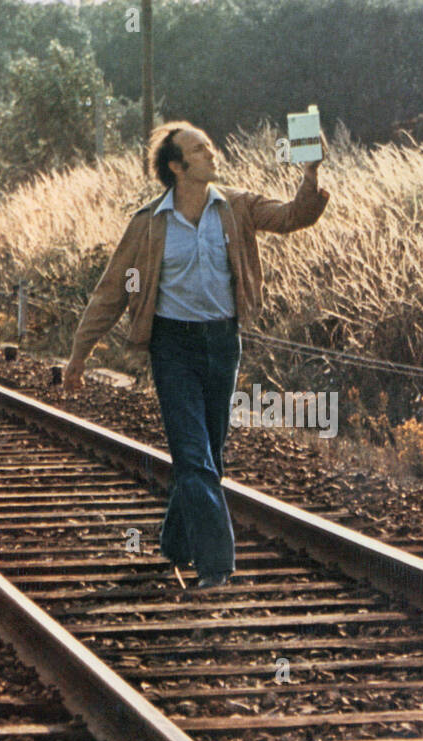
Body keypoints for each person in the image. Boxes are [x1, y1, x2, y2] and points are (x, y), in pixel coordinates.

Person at [65, 121, 330, 588]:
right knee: (193, 453)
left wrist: (310, 174)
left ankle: (175, 543)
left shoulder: (237, 207)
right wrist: (79, 356)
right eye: (199, 149)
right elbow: (110, 293)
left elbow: (293, 217)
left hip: (223, 342)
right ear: (175, 165)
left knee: (209, 456)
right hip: (172, 347)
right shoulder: (149, 224)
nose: (212, 153)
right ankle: (216, 565)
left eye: (210, 145)